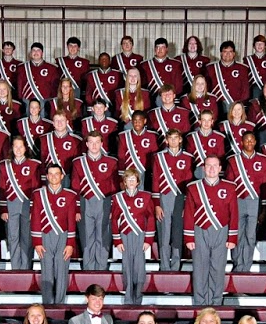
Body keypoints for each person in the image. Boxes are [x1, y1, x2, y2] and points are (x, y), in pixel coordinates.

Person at [184, 154, 238, 308]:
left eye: (215, 166)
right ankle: (200, 304)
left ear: (220, 169)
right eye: (208, 165)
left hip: (221, 230)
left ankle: (216, 303)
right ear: (203, 168)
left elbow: (234, 213)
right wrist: (189, 238)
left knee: (218, 269)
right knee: (200, 270)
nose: (212, 169)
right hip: (200, 230)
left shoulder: (229, 187)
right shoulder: (194, 187)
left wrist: (232, 237)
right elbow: (188, 213)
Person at [31, 163, 79, 306]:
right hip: (45, 236)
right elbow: (35, 219)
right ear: (46, 176)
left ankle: (59, 304)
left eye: (56, 174)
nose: (53, 177)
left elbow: (71, 221)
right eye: (50, 174)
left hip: (63, 236)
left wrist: (70, 244)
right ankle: (47, 304)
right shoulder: (39, 194)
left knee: (61, 271)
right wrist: (37, 242)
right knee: (46, 271)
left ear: (62, 176)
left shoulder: (70, 195)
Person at [111, 168, 157, 304]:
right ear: (124, 182)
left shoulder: (146, 197)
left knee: (139, 267)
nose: (131, 182)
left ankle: (138, 297)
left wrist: (148, 239)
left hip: (140, 235)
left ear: (138, 182)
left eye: (133, 179)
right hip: (125, 235)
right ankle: (128, 297)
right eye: (128, 179)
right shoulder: (118, 197)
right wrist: (117, 240)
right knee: (127, 266)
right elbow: (114, 219)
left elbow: (151, 218)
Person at [72, 133, 117, 271]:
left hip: (104, 202)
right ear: (86, 144)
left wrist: (114, 209)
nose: (94, 145)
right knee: (87, 237)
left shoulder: (112, 162)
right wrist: (77, 209)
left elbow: (115, 187)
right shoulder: (78, 162)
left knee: (103, 237)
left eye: (97, 142)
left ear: (102, 144)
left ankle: (102, 269)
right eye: (91, 142)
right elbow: (75, 186)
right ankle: (88, 269)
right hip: (85, 202)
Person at [151, 127, 194, 272]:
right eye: (171, 138)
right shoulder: (159, 157)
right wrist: (157, 204)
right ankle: (164, 266)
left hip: (180, 197)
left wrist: (187, 204)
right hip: (164, 196)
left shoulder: (188, 157)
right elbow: (155, 180)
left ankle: (175, 266)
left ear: (180, 139)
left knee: (177, 233)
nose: (173, 141)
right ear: (167, 140)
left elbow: (189, 183)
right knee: (164, 233)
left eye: (176, 138)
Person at [228, 128, 266, 270]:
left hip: (255, 202)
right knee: (237, 235)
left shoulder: (263, 160)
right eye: (246, 140)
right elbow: (229, 186)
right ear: (241, 142)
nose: (249, 142)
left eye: (252, 140)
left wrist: (264, 209)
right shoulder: (234, 161)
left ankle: (246, 267)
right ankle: (237, 264)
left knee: (250, 236)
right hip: (238, 201)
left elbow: (265, 187)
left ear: (256, 142)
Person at [0, 134, 42, 270]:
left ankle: (26, 268)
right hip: (11, 205)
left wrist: (32, 210)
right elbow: (2, 188)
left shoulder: (34, 165)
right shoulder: (5, 166)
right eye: (15, 146)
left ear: (25, 148)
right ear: (12, 148)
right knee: (13, 238)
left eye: (21, 146)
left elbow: (36, 189)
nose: (18, 149)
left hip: (27, 205)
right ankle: (15, 268)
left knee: (26, 239)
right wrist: (3, 209)